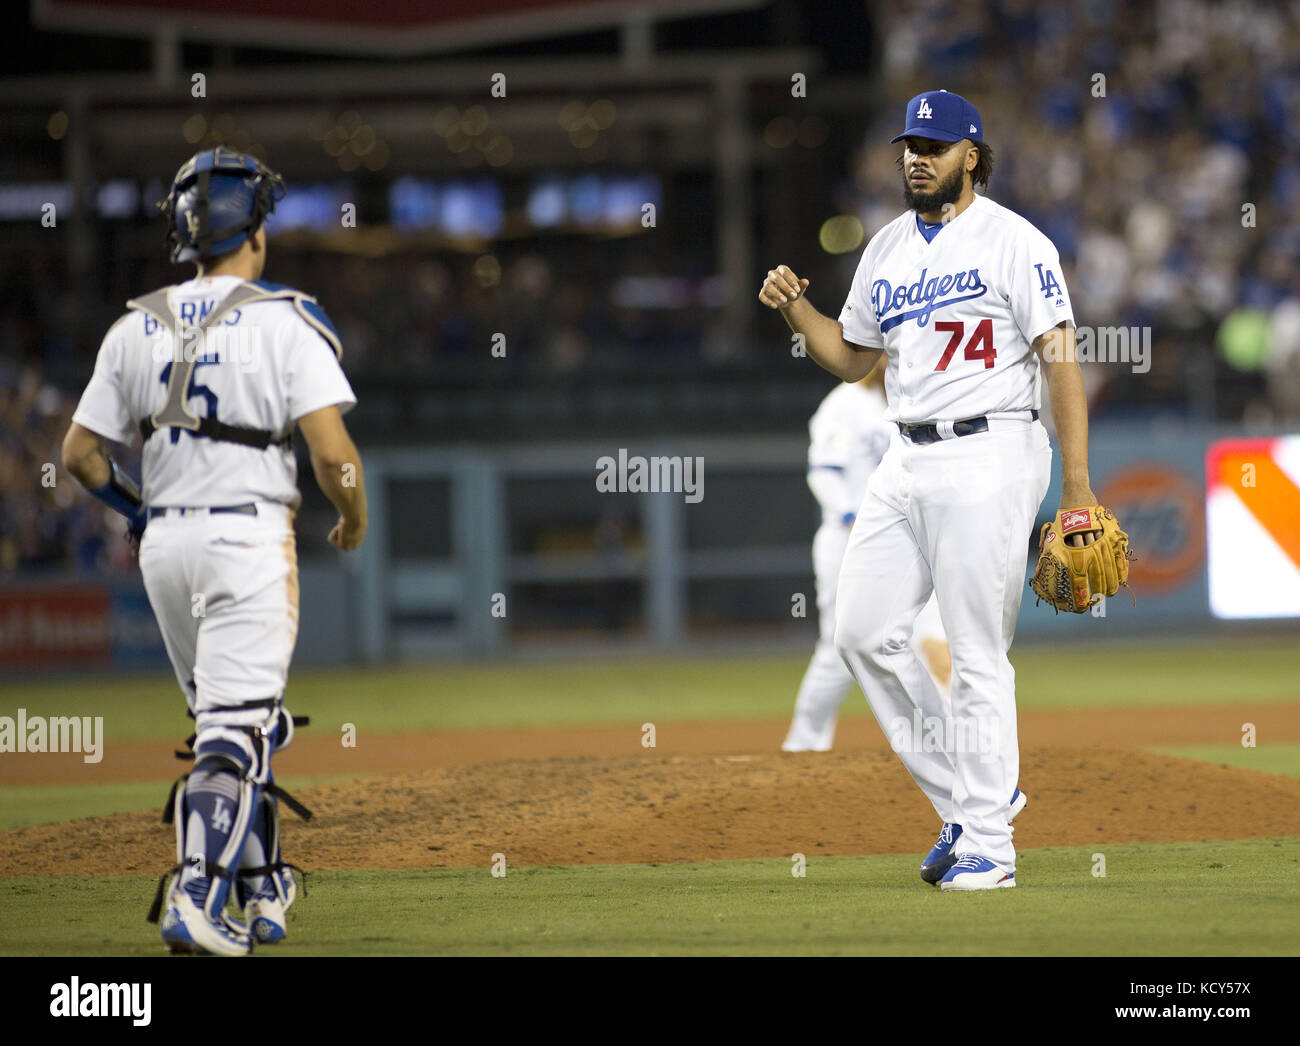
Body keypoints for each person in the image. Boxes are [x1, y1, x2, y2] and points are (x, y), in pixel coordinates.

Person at [760, 90, 1094, 890]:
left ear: (971, 157)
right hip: (905, 457)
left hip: (994, 449)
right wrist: (797, 308)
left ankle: (992, 851)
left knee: (978, 654)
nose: (917, 156)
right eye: (911, 144)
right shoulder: (884, 249)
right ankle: (971, 800)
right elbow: (852, 360)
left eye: (936, 146)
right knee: (864, 631)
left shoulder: (1017, 242)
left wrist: (1077, 487)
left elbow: (1061, 361)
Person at [61, 147, 368, 951]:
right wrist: (353, 519)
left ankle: (265, 889)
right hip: (247, 538)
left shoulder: (136, 325)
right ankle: (195, 899)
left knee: (230, 724)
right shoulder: (287, 319)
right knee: (236, 730)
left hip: (166, 549)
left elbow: (80, 457)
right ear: (256, 233)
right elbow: (334, 454)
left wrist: (139, 509)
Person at [782, 357, 951, 753]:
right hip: (847, 543)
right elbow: (823, 471)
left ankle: (950, 746)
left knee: (934, 641)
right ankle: (803, 745)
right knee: (840, 649)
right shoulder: (842, 405)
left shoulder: (911, 401)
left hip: (912, 543)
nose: (889, 358)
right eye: (881, 350)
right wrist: (847, 514)